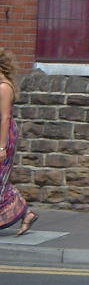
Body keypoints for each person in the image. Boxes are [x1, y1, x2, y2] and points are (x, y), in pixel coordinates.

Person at [0, 49, 38, 236]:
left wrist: (1, 147)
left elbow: (5, 118)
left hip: (3, 136)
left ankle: (24, 211)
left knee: (1, 180)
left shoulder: (4, 87)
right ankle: (27, 213)